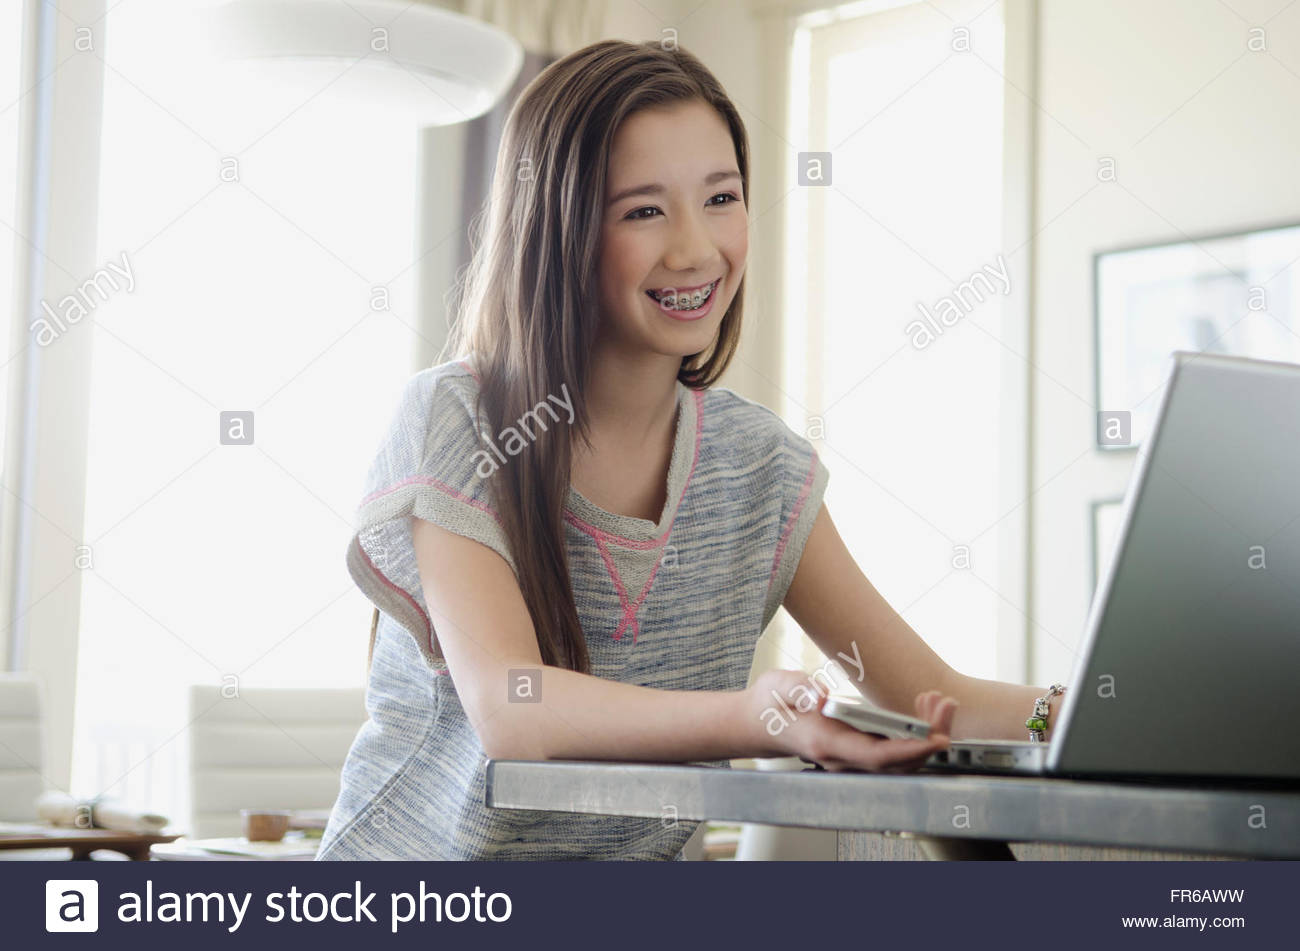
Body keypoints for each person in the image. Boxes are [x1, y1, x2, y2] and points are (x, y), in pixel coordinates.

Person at [317, 39, 1063, 861]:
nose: (697, 249)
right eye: (644, 210)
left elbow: (931, 697)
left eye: (722, 198)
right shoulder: (457, 418)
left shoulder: (759, 468)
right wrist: (755, 715)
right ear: (558, 232)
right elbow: (511, 705)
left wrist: (1070, 710)